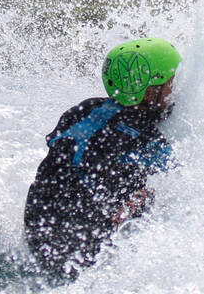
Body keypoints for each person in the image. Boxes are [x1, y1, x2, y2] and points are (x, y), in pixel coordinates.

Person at [23, 37, 181, 281]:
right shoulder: (146, 138)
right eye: (171, 83)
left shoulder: (84, 109)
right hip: (78, 249)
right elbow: (177, 179)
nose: (176, 90)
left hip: (37, 229)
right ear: (150, 91)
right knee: (156, 190)